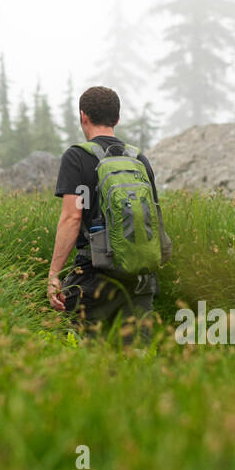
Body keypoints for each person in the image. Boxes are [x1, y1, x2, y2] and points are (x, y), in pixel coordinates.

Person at [46, 85, 161, 340]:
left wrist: (54, 274)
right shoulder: (139, 159)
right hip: (140, 279)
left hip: (92, 278)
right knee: (137, 365)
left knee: (89, 369)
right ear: (117, 119)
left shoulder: (76, 157)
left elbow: (71, 217)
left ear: (83, 116)